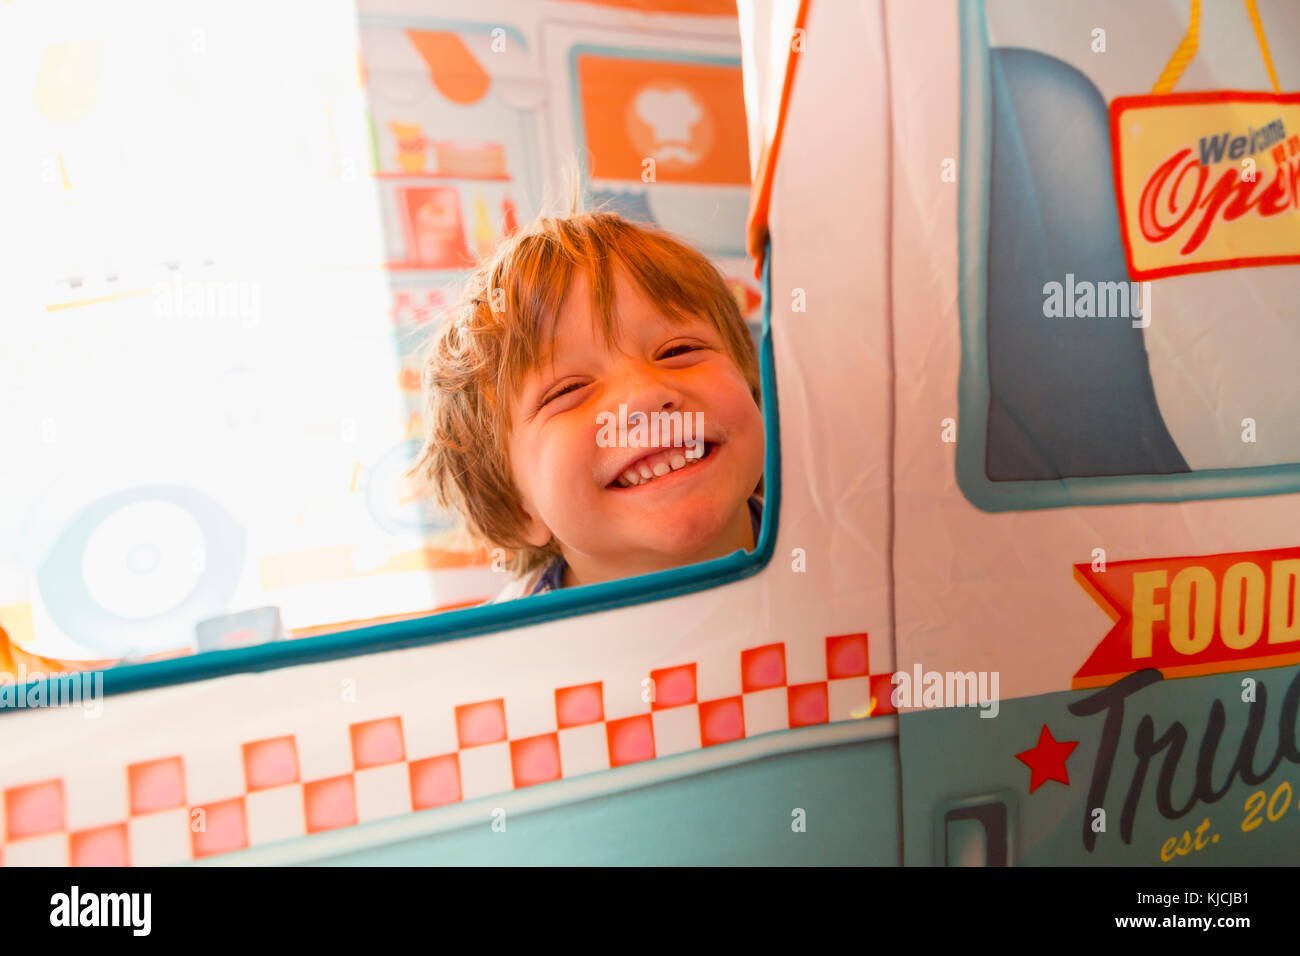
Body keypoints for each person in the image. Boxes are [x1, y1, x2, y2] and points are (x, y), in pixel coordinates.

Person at [410, 208, 765, 601]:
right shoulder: (510, 653)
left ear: (749, 382)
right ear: (517, 509)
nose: (644, 396)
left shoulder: (840, 542)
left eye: (678, 350)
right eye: (568, 390)